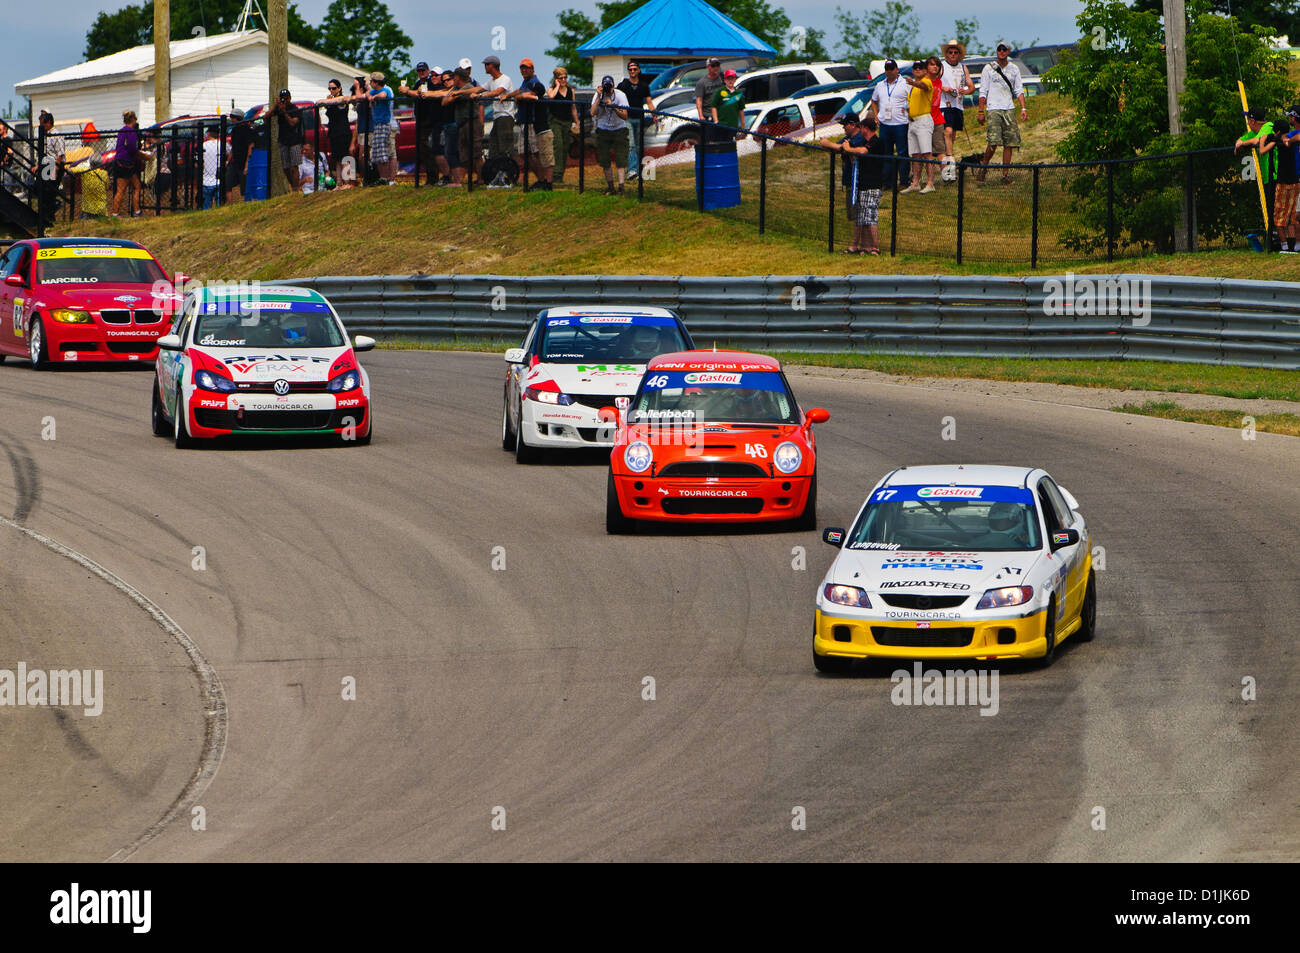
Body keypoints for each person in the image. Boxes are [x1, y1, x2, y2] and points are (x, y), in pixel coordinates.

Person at [977, 43, 1027, 184]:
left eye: (1004, 49)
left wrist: (1023, 108)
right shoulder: (988, 68)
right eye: (999, 49)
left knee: (1009, 142)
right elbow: (983, 90)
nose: (1002, 52)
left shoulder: (1014, 68)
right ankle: (984, 165)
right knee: (993, 141)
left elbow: (1018, 89)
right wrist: (981, 110)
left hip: (1008, 107)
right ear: (996, 51)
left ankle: (1005, 174)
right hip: (993, 108)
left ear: (1008, 51)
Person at [1236, 106, 1278, 244]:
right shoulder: (1255, 132)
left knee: (1277, 209)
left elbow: (1255, 142)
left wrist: (1244, 143)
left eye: (1249, 120)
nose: (1247, 123)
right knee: (1269, 207)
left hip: (1276, 175)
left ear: (1253, 121)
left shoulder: (1268, 126)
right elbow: (1241, 140)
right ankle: (1275, 238)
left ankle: (1284, 241)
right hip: (1266, 177)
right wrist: (1240, 144)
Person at [510, 58, 553, 190]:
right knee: (524, 153)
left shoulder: (535, 82)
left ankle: (544, 181)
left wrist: (518, 97)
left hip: (532, 122)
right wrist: (507, 96)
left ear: (532, 69)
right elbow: (520, 91)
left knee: (535, 152)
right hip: (523, 121)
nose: (524, 70)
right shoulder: (525, 82)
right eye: (522, 68)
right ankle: (541, 179)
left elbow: (529, 95)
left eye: (527, 68)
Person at [399, 62, 445, 184]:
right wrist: (408, 92)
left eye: (423, 70)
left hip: (429, 121)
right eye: (419, 71)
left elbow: (420, 94)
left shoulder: (430, 83)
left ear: (428, 71)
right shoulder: (419, 82)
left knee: (428, 149)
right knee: (422, 150)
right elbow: (416, 94)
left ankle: (434, 178)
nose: (421, 73)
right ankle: (430, 178)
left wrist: (407, 91)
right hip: (420, 119)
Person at [1261, 106, 1299, 251]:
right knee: (1292, 214)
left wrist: (1265, 139)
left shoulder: (1277, 140)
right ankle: (1295, 245)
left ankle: (1283, 245)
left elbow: (1262, 151)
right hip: (1294, 181)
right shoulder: (1289, 138)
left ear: (1276, 131)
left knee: (1278, 215)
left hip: (1283, 182)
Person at [868, 59, 910, 190]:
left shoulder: (905, 84)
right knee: (886, 153)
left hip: (901, 123)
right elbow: (874, 100)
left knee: (902, 153)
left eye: (892, 68)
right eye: (887, 69)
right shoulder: (880, 85)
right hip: (885, 124)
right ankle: (888, 183)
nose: (889, 71)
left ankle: (903, 182)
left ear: (897, 69)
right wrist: (876, 115)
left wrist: (908, 110)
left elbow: (912, 99)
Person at [939, 39, 974, 178]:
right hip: (945, 104)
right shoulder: (941, 66)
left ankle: (948, 159)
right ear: (946, 54)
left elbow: (971, 86)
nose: (953, 54)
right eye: (950, 52)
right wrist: (944, 88)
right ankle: (949, 159)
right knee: (947, 131)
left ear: (959, 54)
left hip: (957, 105)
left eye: (955, 52)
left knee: (952, 135)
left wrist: (966, 90)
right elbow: (933, 83)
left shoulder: (963, 67)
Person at [591, 74, 630, 194]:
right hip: (603, 130)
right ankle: (610, 187)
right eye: (606, 86)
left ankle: (621, 187)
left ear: (613, 86)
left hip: (619, 129)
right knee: (604, 159)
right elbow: (592, 113)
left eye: (610, 86)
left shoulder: (620, 95)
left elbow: (625, 116)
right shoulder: (598, 95)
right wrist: (598, 97)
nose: (608, 89)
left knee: (621, 158)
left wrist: (613, 107)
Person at [447, 67, 485, 184]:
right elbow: (445, 101)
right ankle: (474, 178)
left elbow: (451, 98)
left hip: (471, 122)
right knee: (465, 154)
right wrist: (454, 95)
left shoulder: (468, 88)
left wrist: (456, 95)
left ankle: (481, 178)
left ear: (458, 78)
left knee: (476, 152)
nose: (453, 79)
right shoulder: (455, 88)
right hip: (462, 124)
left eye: (454, 77)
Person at [618, 60, 655, 179]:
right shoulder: (623, 85)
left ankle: (639, 171)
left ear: (638, 70)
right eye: (630, 69)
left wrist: (654, 114)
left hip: (639, 118)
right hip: (627, 118)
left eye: (634, 69)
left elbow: (649, 102)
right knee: (631, 145)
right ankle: (632, 170)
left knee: (639, 145)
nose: (632, 71)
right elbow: (616, 98)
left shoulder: (644, 86)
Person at [902, 61, 934, 193]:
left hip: (923, 120)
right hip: (912, 121)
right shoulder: (912, 88)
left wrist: (913, 82)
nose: (918, 70)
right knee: (915, 154)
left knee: (927, 153)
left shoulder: (927, 81)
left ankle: (930, 183)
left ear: (925, 70)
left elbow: (923, 86)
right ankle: (916, 182)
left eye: (921, 68)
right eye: (915, 68)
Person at [482, 55, 516, 173]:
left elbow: (498, 91)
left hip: (505, 116)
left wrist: (482, 95)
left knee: (504, 147)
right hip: (497, 117)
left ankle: (508, 173)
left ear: (493, 66)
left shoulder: (505, 79)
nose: (485, 67)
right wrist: (461, 92)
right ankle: (496, 173)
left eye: (487, 64)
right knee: (494, 145)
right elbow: (478, 89)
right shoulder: (491, 81)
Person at [547, 67, 579, 185]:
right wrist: (556, 86)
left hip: (567, 121)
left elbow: (573, 108)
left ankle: (560, 174)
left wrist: (577, 122)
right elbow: (551, 97)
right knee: (558, 146)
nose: (564, 80)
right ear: (556, 79)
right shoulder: (551, 89)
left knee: (565, 147)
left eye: (565, 77)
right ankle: (555, 174)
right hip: (555, 121)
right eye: (561, 78)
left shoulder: (571, 91)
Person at [317, 80, 354, 182]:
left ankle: (349, 181)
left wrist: (324, 101)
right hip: (334, 133)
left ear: (339, 88)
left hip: (343, 132)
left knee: (345, 158)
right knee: (337, 159)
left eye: (333, 88)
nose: (331, 90)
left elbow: (342, 100)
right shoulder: (330, 101)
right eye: (330, 88)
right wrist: (327, 102)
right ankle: (339, 182)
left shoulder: (342, 100)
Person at [269, 88, 303, 191]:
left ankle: (296, 188)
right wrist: (275, 106)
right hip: (283, 140)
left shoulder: (295, 109)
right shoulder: (278, 108)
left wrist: (284, 112)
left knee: (294, 166)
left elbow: (293, 122)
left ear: (290, 98)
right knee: (286, 168)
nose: (284, 100)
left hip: (294, 141)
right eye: (282, 98)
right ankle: (293, 186)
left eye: (286, 98)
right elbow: (266, 117)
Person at [366, 72, 396, 184]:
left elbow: (383, 95)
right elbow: (367, 94)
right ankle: (383, 178)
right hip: (377, 124)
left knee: (384, 151)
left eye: (371, 81)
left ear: (376, 82)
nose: (370, 83)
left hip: (384, 123)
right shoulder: (373, 91)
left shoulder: (386, 90)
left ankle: (388, 179)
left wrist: (374, 97)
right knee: (377, 150)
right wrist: (370, 96)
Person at [110, 110, 140, 217]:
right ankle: (116, 213)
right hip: (127, 164)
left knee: (134, 186)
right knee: (125, 189)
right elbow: (132, 148)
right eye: (135, 118)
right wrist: (140, 154)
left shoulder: (122, 131)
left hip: (119, 162)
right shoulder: (131, 131)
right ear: (132, 120)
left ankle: (136, 211)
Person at [694, 57, 725, 140]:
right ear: (708, 67)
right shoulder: (702, 83)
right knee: (709, 139)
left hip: (721, 115)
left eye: (717, 65)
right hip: (708, 115)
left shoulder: (722, 78)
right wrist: (701, 115)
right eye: (713, 65)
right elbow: (699, 100)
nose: (716, 68)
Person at [223, 109, 250, 203]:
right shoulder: (234, 130)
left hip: (243, 162)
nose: (231, 120)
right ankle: (229, 204)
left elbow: (250, 147)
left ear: (238, 118)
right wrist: (228, 161)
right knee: (227, 183)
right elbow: (233, 148)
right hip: (235, 162)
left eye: (233, 118)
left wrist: (247, 164)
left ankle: (245, 203)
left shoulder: (247, 130)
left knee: (244, 185)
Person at [711, 69, 745, 138]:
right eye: (728, 79)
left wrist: (742, 124)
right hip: (721, 124)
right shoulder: (720, 92)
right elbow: (713, 106)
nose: (730, 81)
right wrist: (716, 121)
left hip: (733, 125)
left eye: (732, 79)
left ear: (735, 80)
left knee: (731, 144)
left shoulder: (738, 93)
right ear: (725, 80)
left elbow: (741, 109)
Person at [201, 125, 222, 209]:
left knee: (206, 204)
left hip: (205, 179)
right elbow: (230, 151)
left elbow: (197, 161)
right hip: (219, 178)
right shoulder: (222, 144)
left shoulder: (203, 145)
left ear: (208, 134)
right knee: (219, 203)